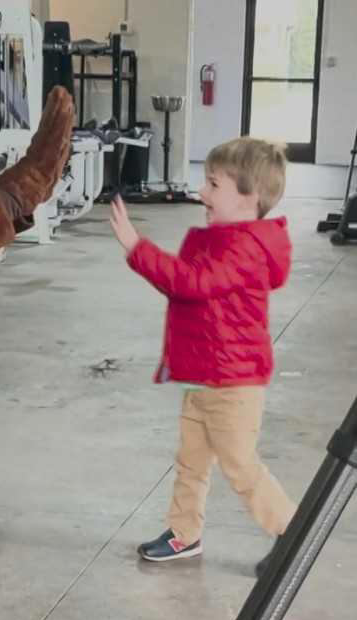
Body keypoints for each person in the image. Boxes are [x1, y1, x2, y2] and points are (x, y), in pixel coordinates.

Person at [110, 136, 296, 565]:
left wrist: (138, 248)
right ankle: (184, 533)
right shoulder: (221, 239)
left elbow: (191, 283)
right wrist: (143, 258)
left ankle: (292, 532)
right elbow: (183, 287)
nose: (201, 193)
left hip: (233, 382)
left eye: (213, 184)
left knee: (240, 466)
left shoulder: (244, 248)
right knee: (191, 461)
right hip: (203, 374)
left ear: (248, 197)